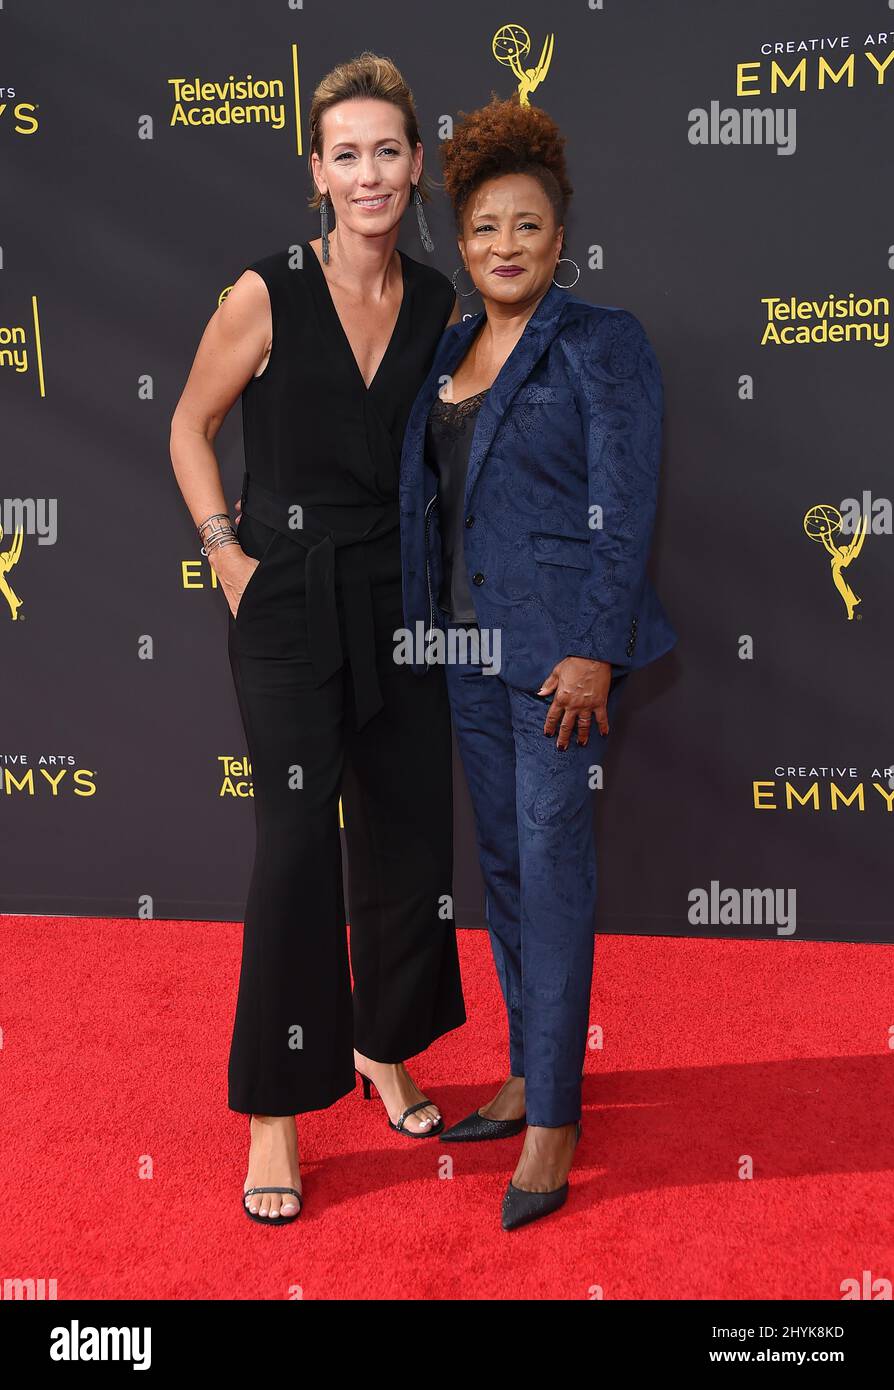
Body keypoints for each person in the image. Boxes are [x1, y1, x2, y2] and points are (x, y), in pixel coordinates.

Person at [169, 52, 466, 1225]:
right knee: (296, 849)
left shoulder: (440, 300)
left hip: (401, 600)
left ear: (417, 164)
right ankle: (277, 1114)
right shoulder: (267, 290)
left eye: (388, 149)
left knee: (404, 840)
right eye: (346, 152)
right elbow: (191, 425)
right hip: (287, 598)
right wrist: (225, 555)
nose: (370, 172)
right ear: (318, 174)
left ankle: (385, 1048)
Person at [399, 94, 678, 1230]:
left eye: (525, 226)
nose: (503, 246)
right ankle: (525, 1072)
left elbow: (627, 503)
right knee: (507, 871)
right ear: (458, 245)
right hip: (464, 650)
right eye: (482, 229)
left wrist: (594, 652)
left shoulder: (602, 340)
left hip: (557, 663)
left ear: (561, 239)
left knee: (555, 873)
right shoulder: (452, 347)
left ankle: (555, 1115)